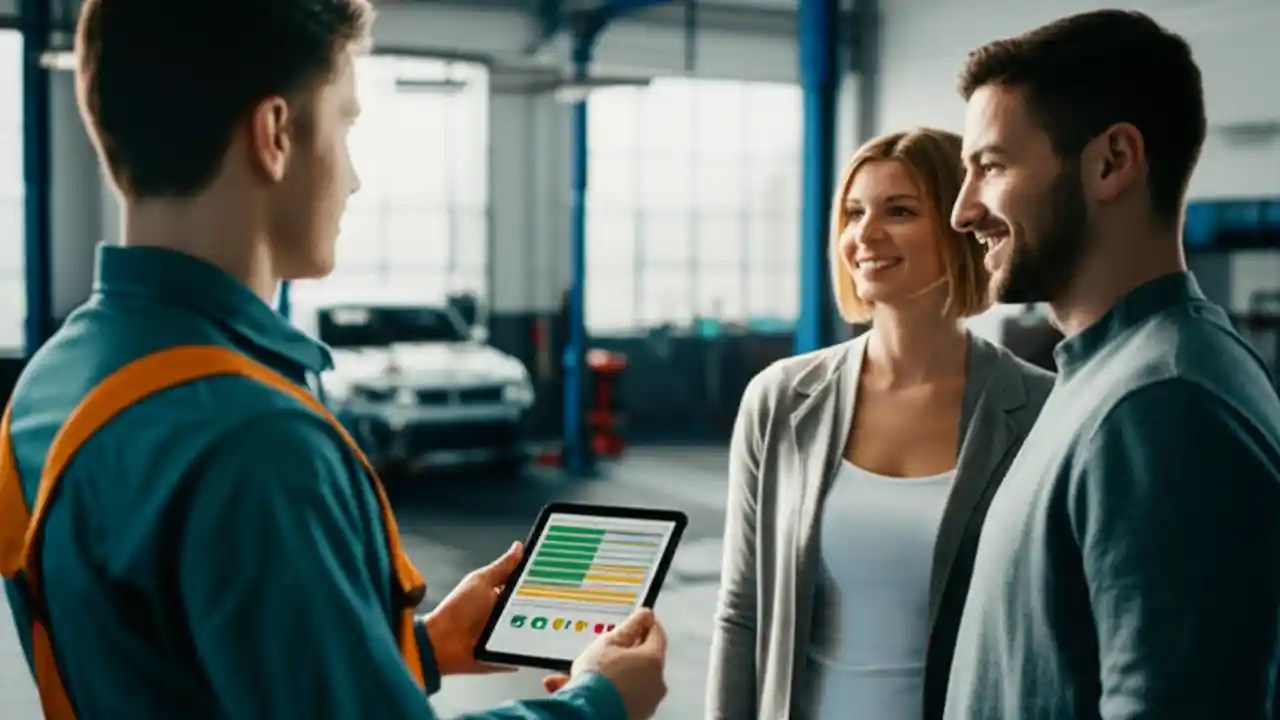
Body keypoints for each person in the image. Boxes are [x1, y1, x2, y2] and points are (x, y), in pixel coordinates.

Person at [0, 1, 667, 718]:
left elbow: (176, 663)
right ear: (276, 133)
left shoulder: (57, 383)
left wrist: (423, 645)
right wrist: (600, 703)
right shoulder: (255, 438)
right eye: (346, 124)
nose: (352, 178)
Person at [944, 9, 1280, 719]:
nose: (963, 211)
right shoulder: (1103, 377)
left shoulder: (1162, 404)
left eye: (992, 167)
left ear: (1112, 162)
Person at [707, 128, 1054, 720]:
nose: (864, 236)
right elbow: (743, 609)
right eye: (852, 213)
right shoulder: (782, 401)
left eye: (899, 211)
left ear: (963, 222)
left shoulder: (1040, 408)